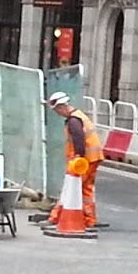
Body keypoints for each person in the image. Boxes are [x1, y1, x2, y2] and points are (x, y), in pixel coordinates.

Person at [46, 92, 103, 228]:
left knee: (72, 188)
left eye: (57, 110)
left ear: (61, 107)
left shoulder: (73, 121)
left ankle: (57, 217)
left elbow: (79, 139)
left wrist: (78, 157)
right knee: (86, 190)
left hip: (83, 161)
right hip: (93, 158)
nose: (58, 114)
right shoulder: (79, 116)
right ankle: (89, 220)